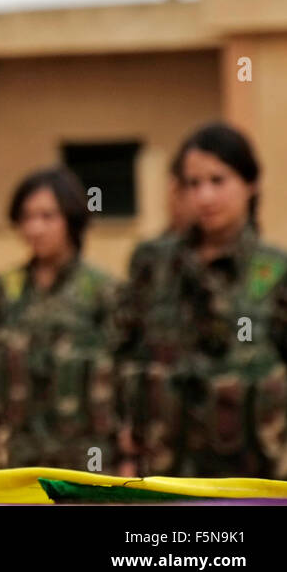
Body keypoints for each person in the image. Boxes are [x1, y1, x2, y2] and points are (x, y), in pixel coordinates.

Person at [114, 122, 287, 479]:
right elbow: (121, 352)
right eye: (193, 184)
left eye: (218, 180)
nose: (205, 197)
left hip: (255, 484)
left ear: (250, 184)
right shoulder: (152, 263)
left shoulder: (278, 273)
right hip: (165, 480)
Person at [0, 166, 118, 470]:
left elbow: (124, 364)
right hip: (22, 450)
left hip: (86, 454)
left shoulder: (101, 290)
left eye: (47, 216)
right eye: (27, 217)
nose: (35, 228)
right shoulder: (9, 287)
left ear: (71, 220)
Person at [116, 151, 195, 472]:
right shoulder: (150, 259)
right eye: (187, 186)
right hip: (159, 444)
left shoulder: (262, 269)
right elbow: (125, 346)